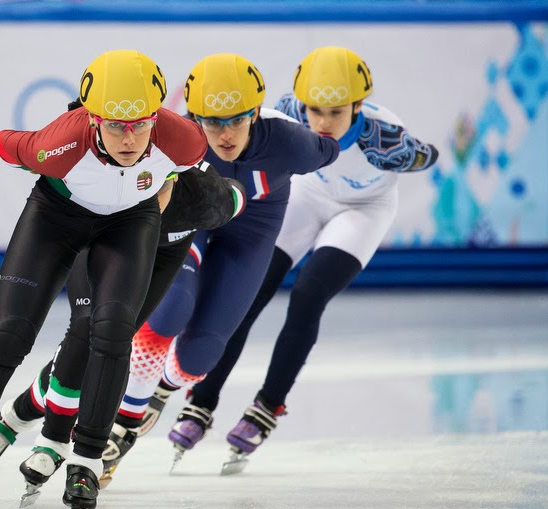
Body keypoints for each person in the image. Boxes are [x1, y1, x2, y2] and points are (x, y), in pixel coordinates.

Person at [0, 49, 208, 509]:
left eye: (140, 124)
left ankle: (87, 459)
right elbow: (3, 142)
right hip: (55, 219)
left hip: (130, 223)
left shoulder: (184, 139)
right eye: (115, 126)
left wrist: (169, 185)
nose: (130, 138)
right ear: (91, 119)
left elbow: (183, 169)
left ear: (157, 115)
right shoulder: (58, 144)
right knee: (9, 335)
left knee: (113, 333)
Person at [120, 46, 440, 473]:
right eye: (315, 110)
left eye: (336, 112)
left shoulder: (387, 137)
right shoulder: (289, 114)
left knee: (309, 293)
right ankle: (202, 399)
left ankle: (268, 405)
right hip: (310, 195)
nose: (323, 121)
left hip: (363, 209)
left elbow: (427, 155)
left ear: (359, 106)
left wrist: (418, 154)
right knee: (250, 291)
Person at [97, 53, 340, 478]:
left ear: (255, 114)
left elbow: (332, 144)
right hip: (194, 217)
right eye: (211, 122)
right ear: (194, 117)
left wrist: (363, 128)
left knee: (201, 356)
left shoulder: (293, 144)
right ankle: (125, 419)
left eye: (235, 121)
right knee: (171, 310)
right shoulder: (172, 135)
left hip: (252, 229)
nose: (224, 134)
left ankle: (163, 391)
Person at [0, 158, 246, 500]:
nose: (142, 204)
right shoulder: (99, 176)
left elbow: (236, 195)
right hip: (100, 235)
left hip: (164, 252)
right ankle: (51, 438)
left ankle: (21, 411)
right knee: (86, 327)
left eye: (153, 191)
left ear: (171, 181)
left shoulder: (204, 196)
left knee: (111, 337)